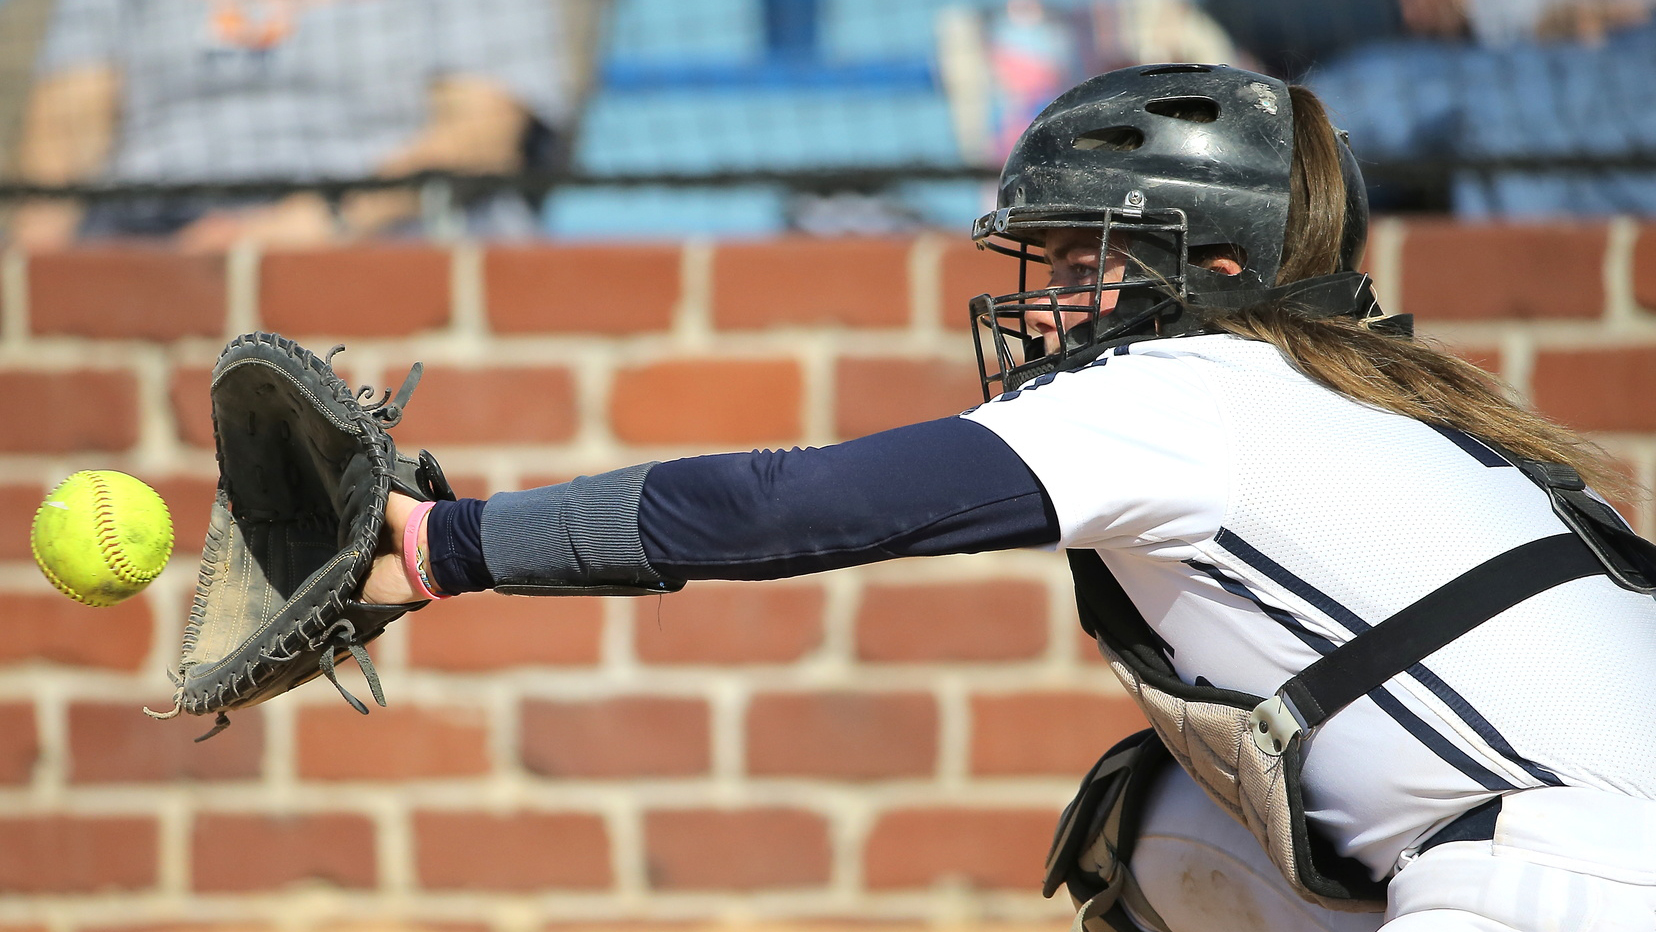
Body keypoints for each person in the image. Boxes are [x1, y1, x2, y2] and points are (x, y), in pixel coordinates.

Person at [362, 64, 1656, 931]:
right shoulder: (1365, 397)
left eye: (1085, 255)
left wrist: (440, 544)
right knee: (1156, 819)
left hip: (1561, 874)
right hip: (1567, 853)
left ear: (1211, 265)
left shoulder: (1186, 384)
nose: (1048, 292)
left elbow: (785, 508)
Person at [8, 0, 570, 250]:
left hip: (376, 237)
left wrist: (314, 220)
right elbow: (59, 145)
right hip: (150, 243)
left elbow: (481, 139)